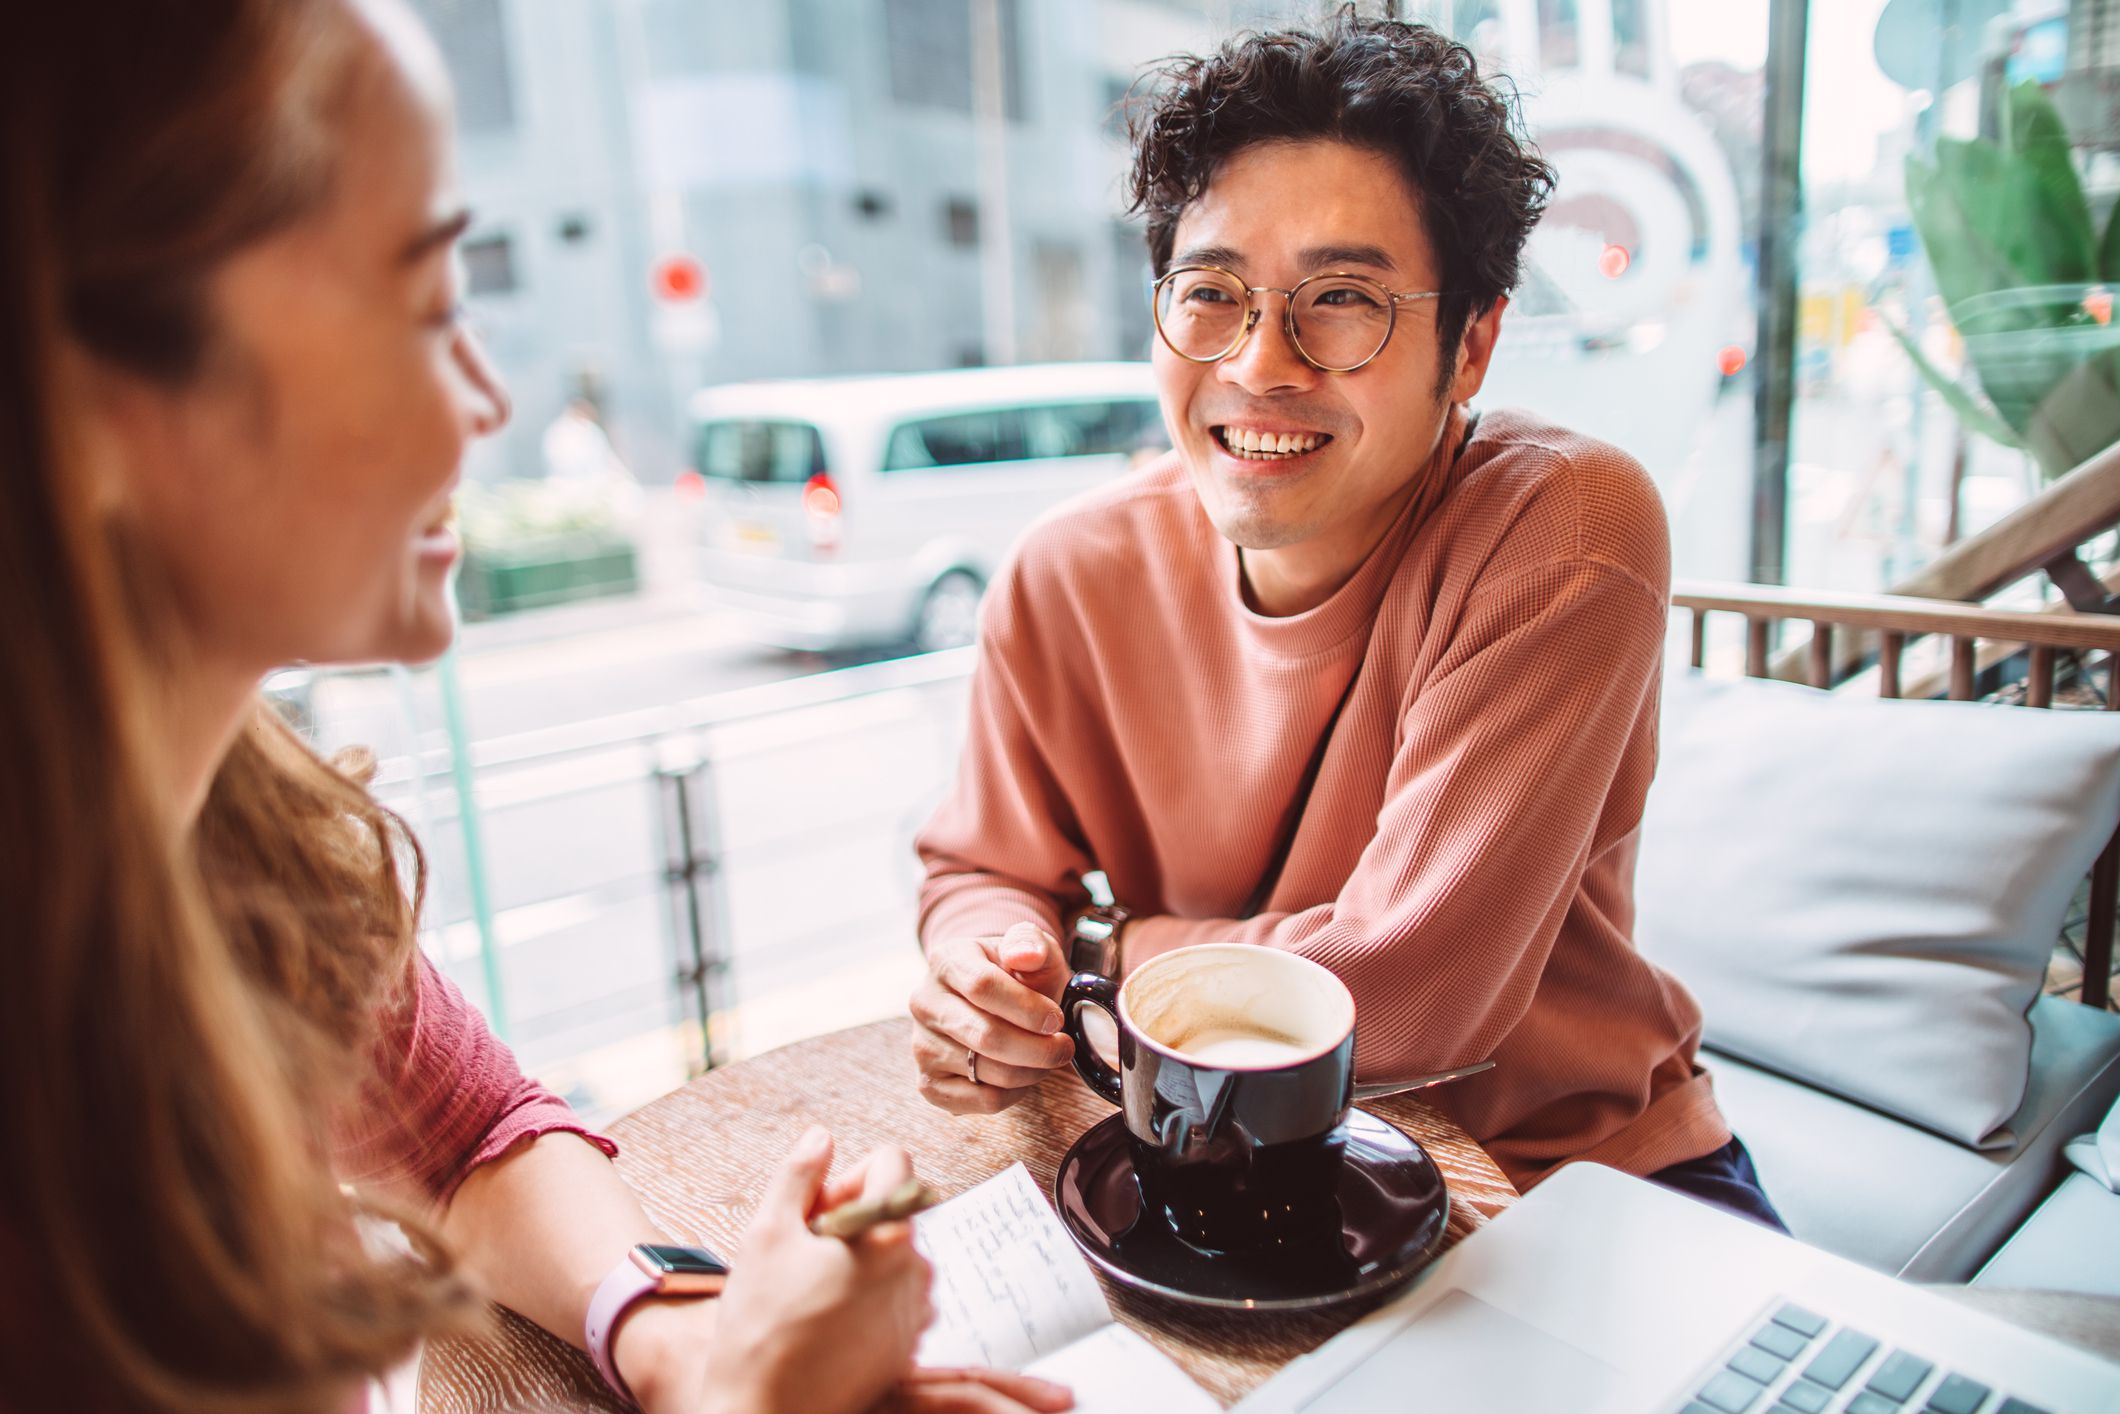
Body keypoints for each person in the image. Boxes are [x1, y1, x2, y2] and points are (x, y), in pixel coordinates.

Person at [0, 4, 1072, 1412]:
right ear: (99, 388)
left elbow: (463, 1140)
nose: (488, 403)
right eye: (430, 305)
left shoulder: (231, 833)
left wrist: (685, 1343)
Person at [907, 13, 1783, 1228]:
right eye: (1211, 292)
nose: (1261, 361)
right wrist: (993, 970)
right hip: (1215, 1172)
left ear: (1470, 343)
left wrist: (1099, 954)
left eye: (1342, 300)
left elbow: (1410, 995)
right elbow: (984, 869)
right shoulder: (1064, 573)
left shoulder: (1564, 525)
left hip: (1572, 1183)